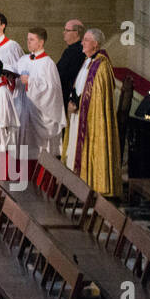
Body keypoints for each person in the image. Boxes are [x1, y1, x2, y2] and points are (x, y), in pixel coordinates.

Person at [63, 28, 121, 197]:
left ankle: (91, 187)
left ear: (95, 44)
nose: (82, 42)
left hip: (91, 120)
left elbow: (98, 98)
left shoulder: (101, 66)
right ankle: (77, 187)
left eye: (86, 40)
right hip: (77, 115)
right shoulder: (87, 61)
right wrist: (72, 102)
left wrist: (79, 105)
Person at [16, 27, 65, 167]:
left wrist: (30, 82)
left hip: (40, 115)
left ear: (41, 42)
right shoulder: (23, 60)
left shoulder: (48, 64)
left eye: (32, 40)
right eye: (27, 39)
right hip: (25, 113)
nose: (28, 42)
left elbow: (52, 91)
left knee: (40, 155)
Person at [55, 19, 87, 104]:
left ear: (76, 33)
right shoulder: (75, 49)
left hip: (69, 97)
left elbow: (62, 74)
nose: (64, 32)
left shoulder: (75, 51)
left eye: (67, 30)